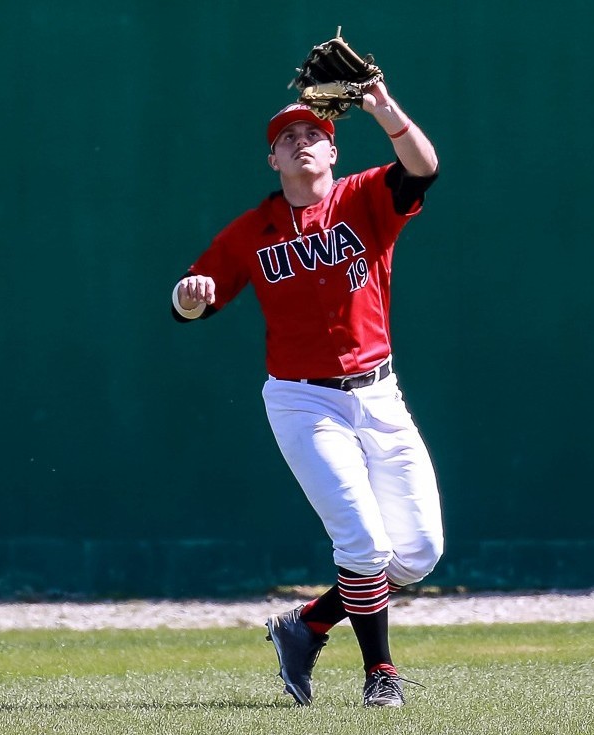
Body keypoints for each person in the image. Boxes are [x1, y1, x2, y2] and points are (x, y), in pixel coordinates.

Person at [170, 78, 444, 708]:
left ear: (332, 152)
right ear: (272, 159)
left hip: (378, 392)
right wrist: (187, 299)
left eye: (313, 135)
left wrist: (382, 108)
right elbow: (193, 293)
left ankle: (308, 625)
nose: (300, 143)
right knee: (365, 545)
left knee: (419, 553)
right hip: (303, 400)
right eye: (287, 137)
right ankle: (381, 674)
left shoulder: (366, 197)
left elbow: (423, 168)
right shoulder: (253, 230)